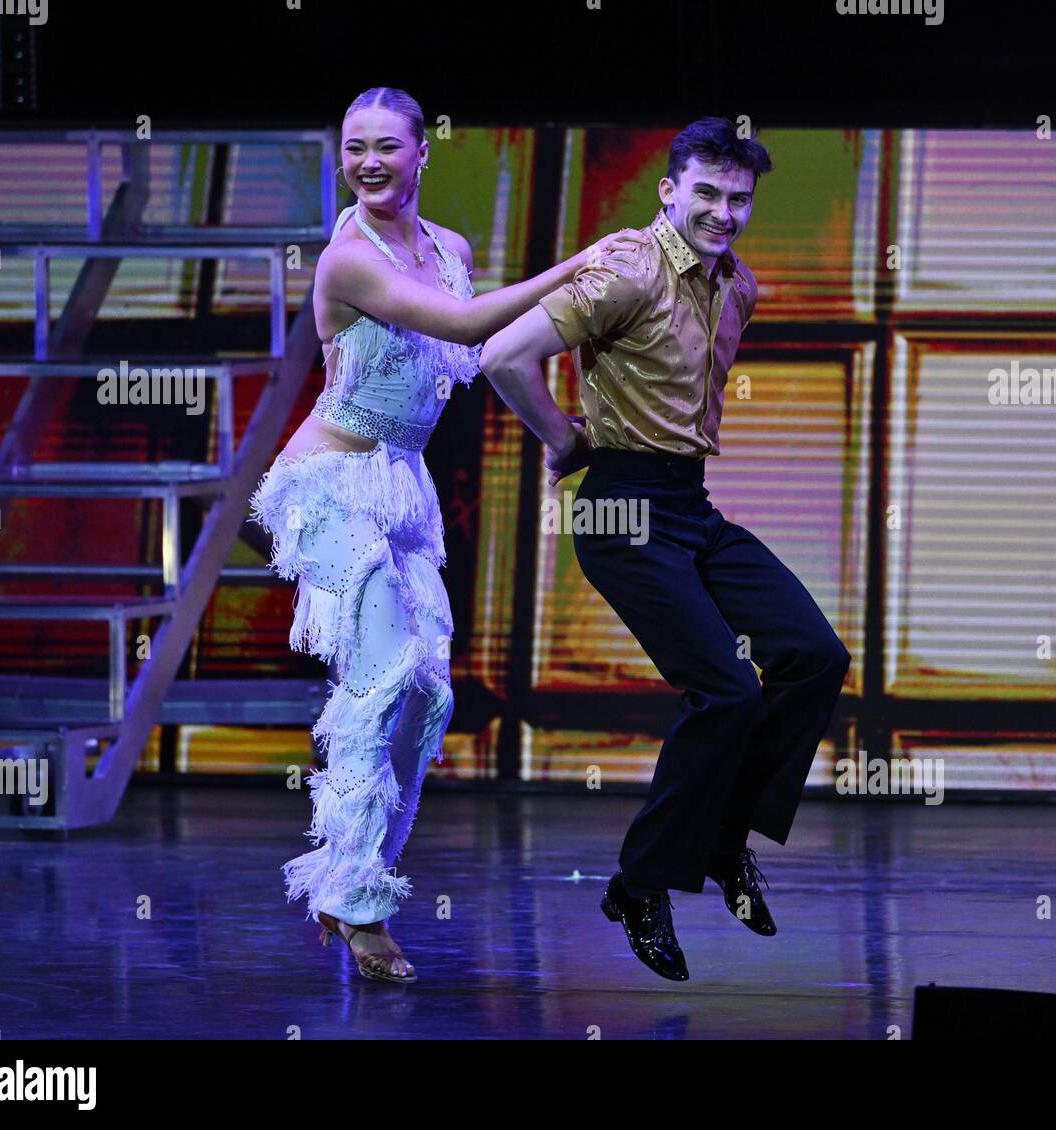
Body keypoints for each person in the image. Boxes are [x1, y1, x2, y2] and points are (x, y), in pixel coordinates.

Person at [249, 86, 644, 983]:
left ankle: (359, 879)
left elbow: (481, 356)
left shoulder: (450, 250)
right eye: (354, 148)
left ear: (424, 152)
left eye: (387, 145)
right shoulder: (349, 259)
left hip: (400, 488)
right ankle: (352, 901)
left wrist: (562, 439)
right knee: (383, 671)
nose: (369, 163)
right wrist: (582, 262)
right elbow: (468, 320)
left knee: (428, 700)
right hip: (325, 489)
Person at [479, 117, 851, 981]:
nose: (723, 212)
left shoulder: (739, 287)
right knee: (723, 690)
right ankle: (640, 885)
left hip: (686, 504)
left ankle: (723, 844)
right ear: (670, 191)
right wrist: (565, 442)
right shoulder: (628, 267)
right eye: (708, 194)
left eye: (740, 199)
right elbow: (503, 355)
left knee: (814, 655)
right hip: (619, 508)